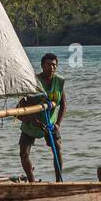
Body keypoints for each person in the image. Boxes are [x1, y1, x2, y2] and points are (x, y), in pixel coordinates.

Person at [18, 54, 66, 183]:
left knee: (57, 147)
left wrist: (58, 124)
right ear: (42, 65)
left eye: (54, 65)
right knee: (23, 153)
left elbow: (63, 105)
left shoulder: (59, 81)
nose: (51, 67)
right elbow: (22, 104)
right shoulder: (34, 81)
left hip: (49, 122)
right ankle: (32, 181)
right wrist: (34, 121)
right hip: (31, 121)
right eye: (48, 64)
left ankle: (59, 181)